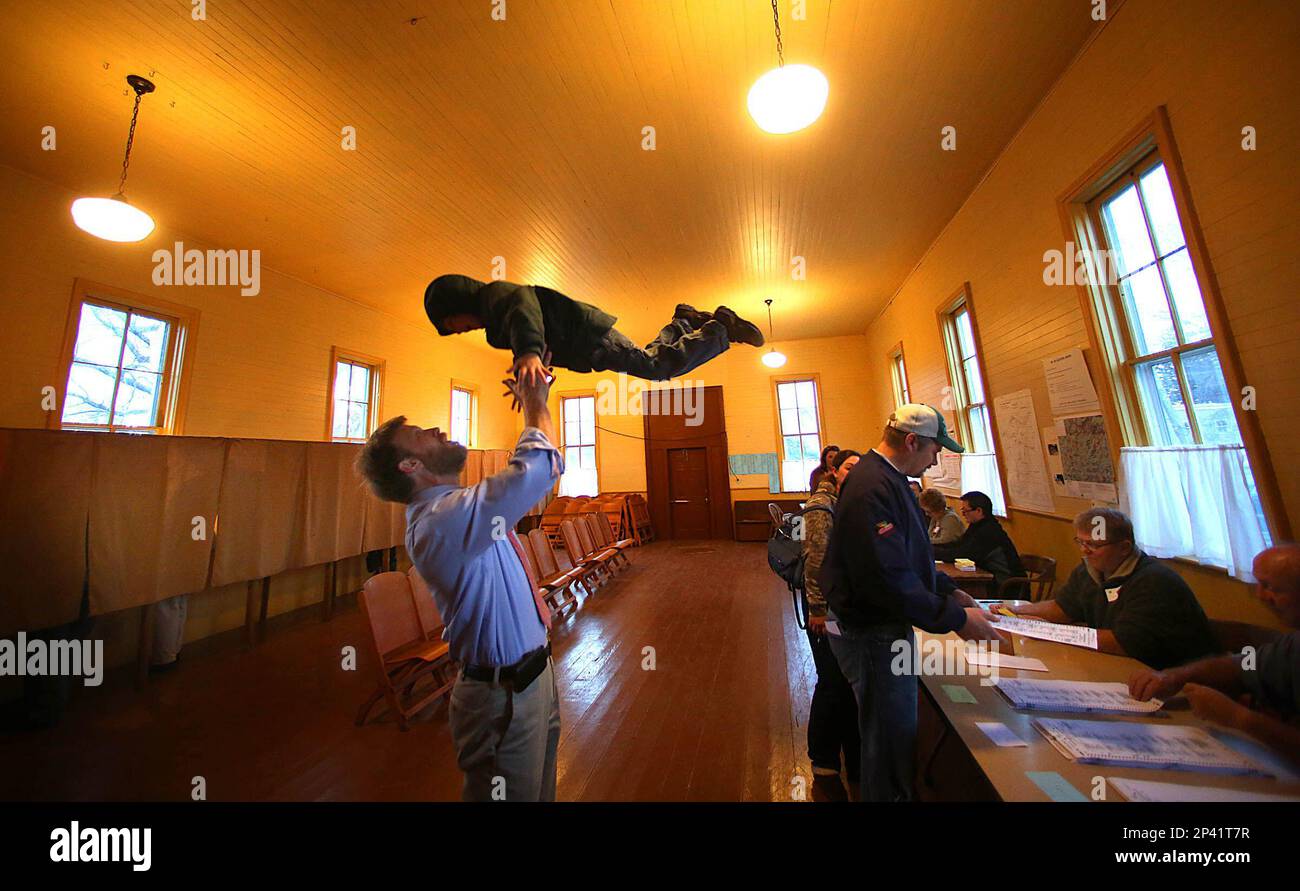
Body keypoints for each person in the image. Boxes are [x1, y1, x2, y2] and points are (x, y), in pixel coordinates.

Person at [355, 360, 563, 801]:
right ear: (411, 464)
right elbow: (538, 470)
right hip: (501, 697)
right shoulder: (438, 522)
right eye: (419, 435)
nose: (434, 428)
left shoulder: (460, 508)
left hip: (534, 677)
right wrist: (534, 402)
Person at [820, 404, 1006, 802]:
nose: (937, 457)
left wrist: (944, 588)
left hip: (880, 627)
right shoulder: (874, 486)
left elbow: (908, 554)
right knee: (889, 739)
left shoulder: (888, 479)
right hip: (872, 632)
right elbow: (886, 578)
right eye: (935, 449)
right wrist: (956, 619)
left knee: (891, 734)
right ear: (911, 441)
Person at [1129, 544, 1300, 767]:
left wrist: (1240, 718)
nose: (1260, 596)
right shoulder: (1292, 644)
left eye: (1271, 588)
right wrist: (1173, 677)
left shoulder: (1153, 579)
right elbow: (1240, 666)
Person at [423, 274, 764, 386]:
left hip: (591, 339)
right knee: (649, 358)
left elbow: (524, 306)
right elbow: (535, 328)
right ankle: (684, 321)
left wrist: (527, 353)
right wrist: (538, 371)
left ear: (456, 306)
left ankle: (722, 327)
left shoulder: (497, 296)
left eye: (452, 327)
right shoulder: (496, 328)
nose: (460, 331)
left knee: (659, 368)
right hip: (589, 345)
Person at [990, 508, 1217, 669]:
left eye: (1094, 545)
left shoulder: (1153, 582)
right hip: (1123, 668)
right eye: (1081, 542)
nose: (1085, 551)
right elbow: (1063, 608)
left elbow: (1123, 642)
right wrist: (1018, 612)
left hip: (1168, 675)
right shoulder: (1091, 569)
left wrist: (1056, 634)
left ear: (1124, 548)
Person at [801, 449, 861, 801]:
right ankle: (824, 759)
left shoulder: (848, 500)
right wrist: (818, 609)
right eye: (848, 467)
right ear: (833, 471)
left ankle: (852, 756)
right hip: (827, 609)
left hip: (844, 606)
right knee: (831, 681)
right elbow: (817, 559)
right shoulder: (822, 505)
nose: (855, 473)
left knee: (842, 682)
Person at [932, 491, 1026, 590]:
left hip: (1004, 584)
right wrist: (933, 548)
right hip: (989, 578)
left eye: (965, 511)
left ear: (979, 511)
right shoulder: (977, 525)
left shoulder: (989, 531)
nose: (963, 514)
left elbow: (963, 554)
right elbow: (959, 544)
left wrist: (933, 552)